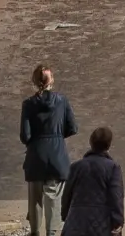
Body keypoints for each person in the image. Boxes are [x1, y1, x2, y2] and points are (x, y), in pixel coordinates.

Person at [20, 66, 79, 236]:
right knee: (54, 199)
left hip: (36, 156)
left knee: (35, 199)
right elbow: (73, 127)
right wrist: (58, 136)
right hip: (56, 155)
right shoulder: (62, 101)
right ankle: (52, 232)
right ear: (51, 80)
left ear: (34, 81)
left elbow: (25, 135)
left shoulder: (28, 104)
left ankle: (34, 231)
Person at [60, 128, 124, 236]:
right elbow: (116, 196)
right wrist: (117, 221)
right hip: (102, 224)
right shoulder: (113, 168)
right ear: (109, 145)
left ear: (91, 142)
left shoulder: (76, 167)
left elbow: (67, 195)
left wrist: (65, 215)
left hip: (75, 222)